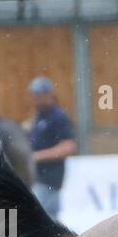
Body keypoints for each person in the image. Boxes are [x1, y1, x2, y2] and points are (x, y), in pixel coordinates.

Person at [26, 77, 76, 218]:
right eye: (33, 94)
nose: (35, 98)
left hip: (49, 178)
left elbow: (69, 146)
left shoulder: (57, 117)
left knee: (39, 216)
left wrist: (36, 157)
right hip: (38, 177)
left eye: (38, 94)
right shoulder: (39, 116)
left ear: (48, 94)